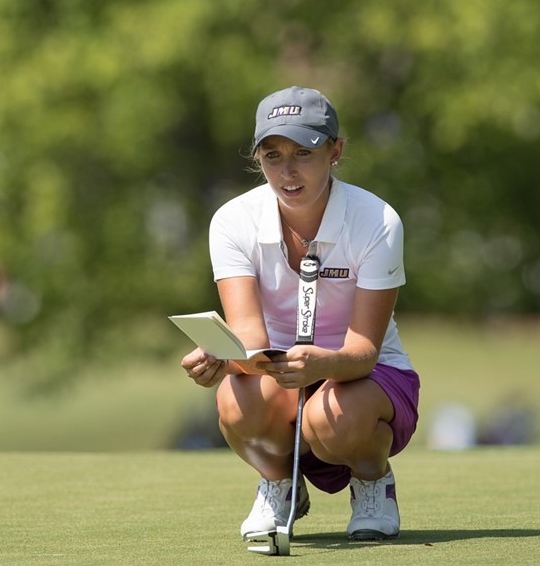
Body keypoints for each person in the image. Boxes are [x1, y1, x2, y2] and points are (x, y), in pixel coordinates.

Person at [180, 86, 420, 542]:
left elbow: (364, 352)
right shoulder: (233, 221)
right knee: (233, 401)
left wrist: (320, 363)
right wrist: (221, 358)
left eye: (303, 152)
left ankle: (372, 483)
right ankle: (280, 484)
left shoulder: (377, 220)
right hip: (279, 370)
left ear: (335, 151)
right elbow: (248, 331)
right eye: (272, 156)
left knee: (331, 417)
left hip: (368, 378)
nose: (287, 172)